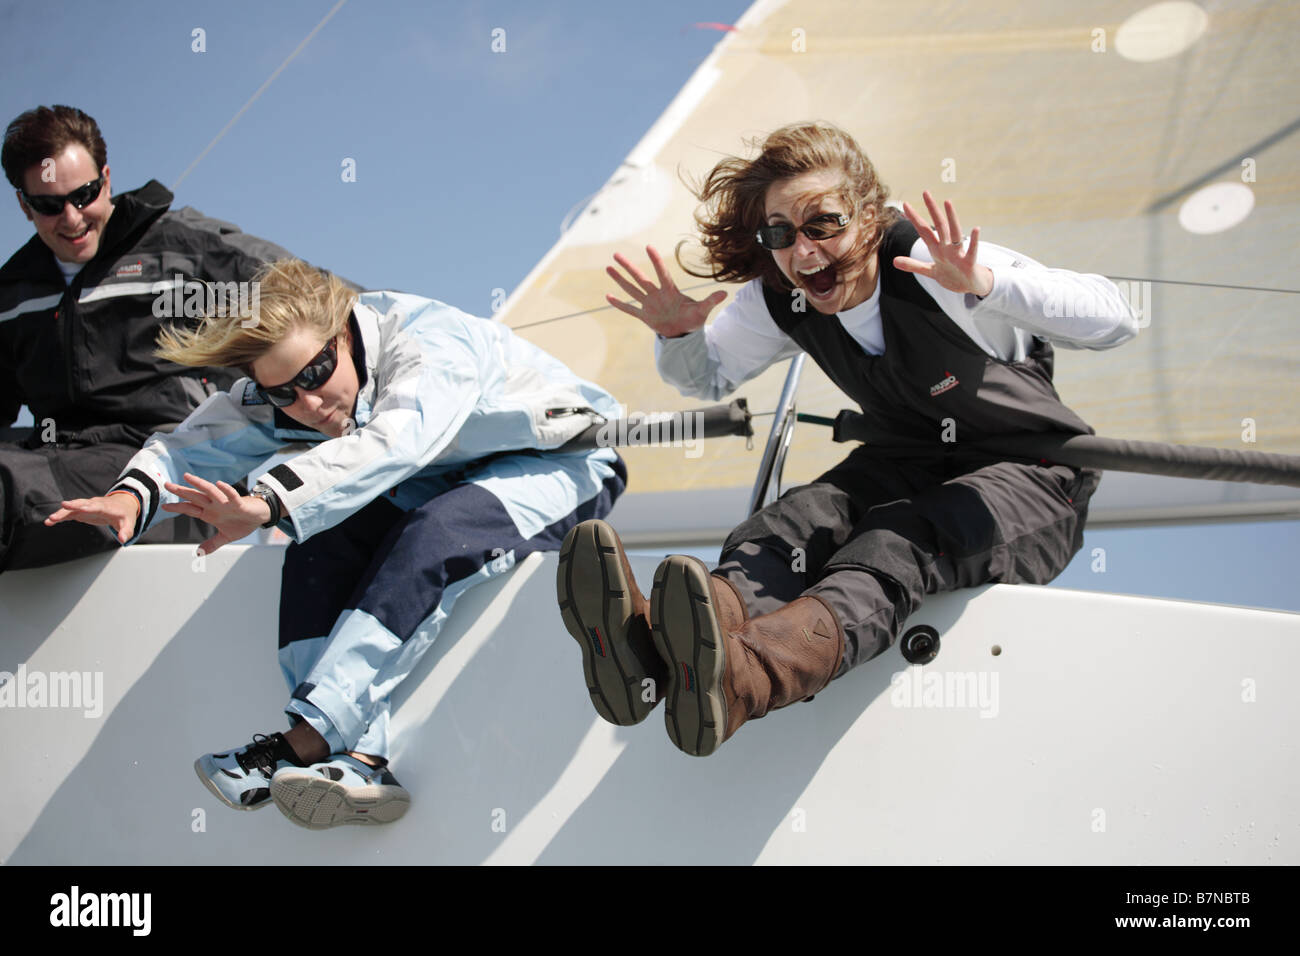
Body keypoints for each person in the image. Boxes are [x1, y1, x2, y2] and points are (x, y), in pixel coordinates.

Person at [558, 121, 1139, 756]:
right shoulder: (781, 298)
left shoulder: (936, 267)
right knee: (797, 520)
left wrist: (987, 287)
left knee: (900, 539)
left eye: (822, 224)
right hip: (904, 458)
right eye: (779, 233)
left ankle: (745, 679)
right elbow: (710, 376)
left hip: (1032, 476)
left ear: (868, 216)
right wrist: (678, 337)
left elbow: (1115, 318)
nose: (802, 252)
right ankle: (652, 653)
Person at [48, 258, 625, 828]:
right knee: (319, 540)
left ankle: (305, 740)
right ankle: (359, 760)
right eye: (283, 394)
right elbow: (188, 445)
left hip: (563, 460)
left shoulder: (427, 342)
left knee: (437, 534)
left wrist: (267, 502)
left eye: (318, 372)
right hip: (431, 478)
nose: (310, 403)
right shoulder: (290, 390)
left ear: (343, 332)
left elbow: (395, 444)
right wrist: (129, 498)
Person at [0, 104, 295, 572]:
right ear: (23, 204)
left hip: (173, 467)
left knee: (6, 489)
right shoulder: (12, 293)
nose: (73, 218)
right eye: (50, 205)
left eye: (85, 194)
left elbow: (315, 298)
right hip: (56, 455)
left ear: (107, 178)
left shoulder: (184, 249)